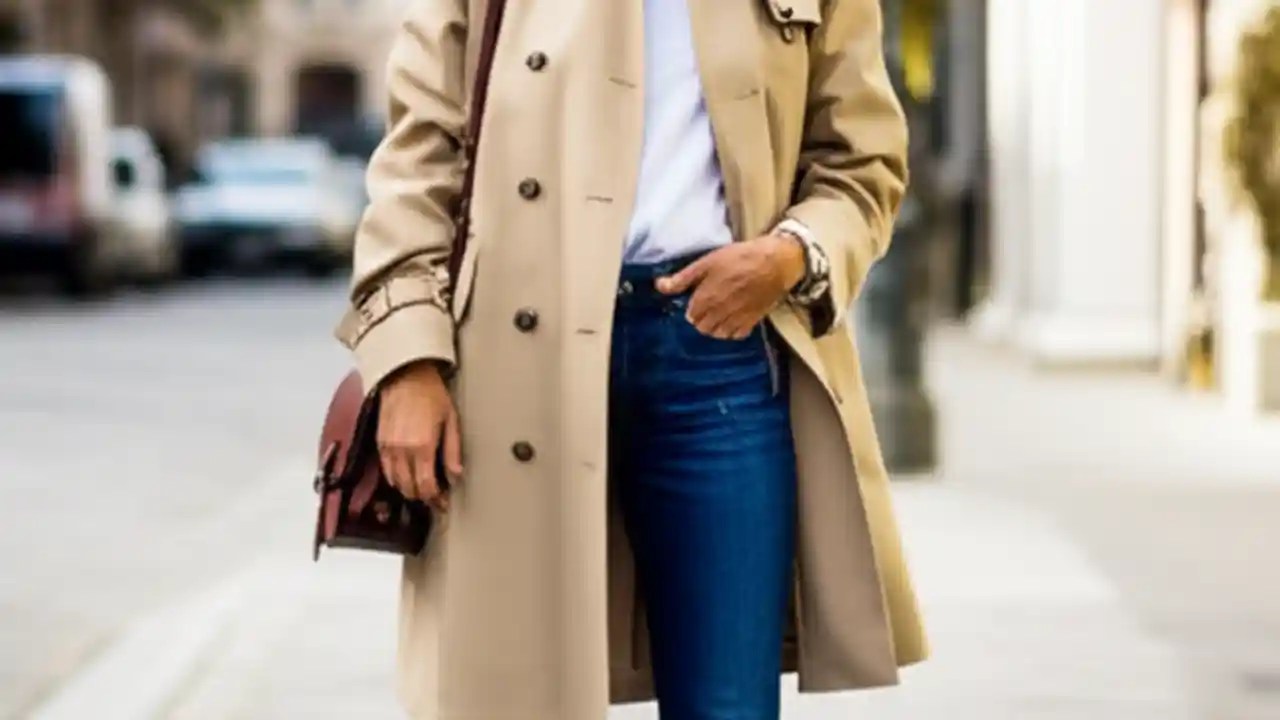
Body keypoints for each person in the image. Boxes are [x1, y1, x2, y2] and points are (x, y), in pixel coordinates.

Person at [336, 0, 927, 718]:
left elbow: (862, 161)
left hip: (721, 355)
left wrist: (789, 255)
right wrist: (407, 362)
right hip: (518, 363)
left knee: (727, 707)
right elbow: (417, 162)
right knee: (513, 697)